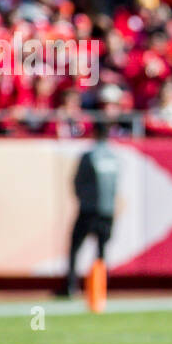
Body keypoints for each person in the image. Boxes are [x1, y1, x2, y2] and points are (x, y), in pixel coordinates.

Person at [59, 121, 119, 297]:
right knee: (101, 251)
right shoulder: (114, 156)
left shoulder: (89, 156)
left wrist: (84, 200)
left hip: (89, 210)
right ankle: (101, 287)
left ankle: (71, 285)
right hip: (107, 211)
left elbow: (77, 182)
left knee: (75, 247)